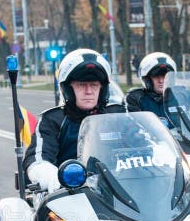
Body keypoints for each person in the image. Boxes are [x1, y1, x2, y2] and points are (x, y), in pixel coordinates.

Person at [23, 49, 126, 193]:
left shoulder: (117, 115)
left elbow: (142, 144)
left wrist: (160, 154)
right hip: (71, 193)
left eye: (94, 85)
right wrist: (50, 175)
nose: (89, 91)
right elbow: (37, 159)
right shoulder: (53, 120)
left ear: (102, 89)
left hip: (118, 191)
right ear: (68, 89)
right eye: (81, 85)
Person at [125, 52, 177, 120]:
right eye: (156, 76)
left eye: (165, 76)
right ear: (147, 79)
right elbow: (133, 125)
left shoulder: (183, 96)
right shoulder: (136, 98)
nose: (161, 81)